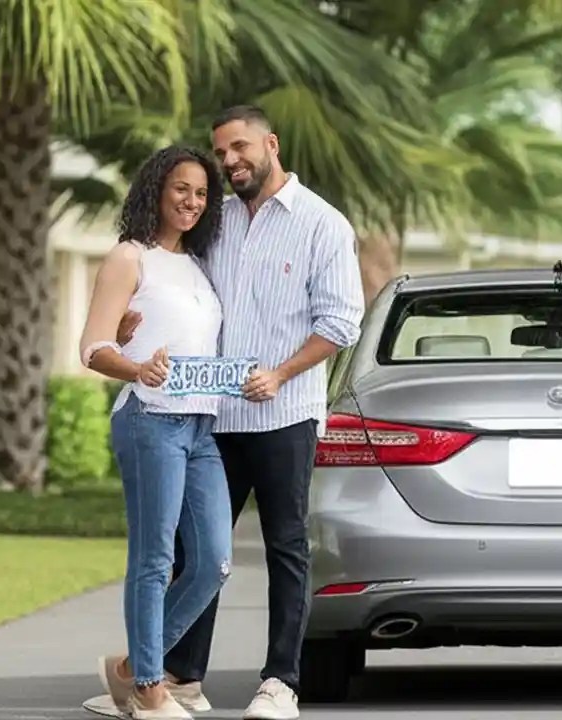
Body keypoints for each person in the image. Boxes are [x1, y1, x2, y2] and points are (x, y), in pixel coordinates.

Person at [83, 105, 365, 720]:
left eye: (239, 148)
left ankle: (279, 682)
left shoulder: (322, 223)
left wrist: (282, 373)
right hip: (208, 415)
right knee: (195, 554)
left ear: (271, 142)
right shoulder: (216, 223)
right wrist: (126, 331)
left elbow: (341, 322)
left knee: (286, 546)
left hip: (283, 409)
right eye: (221, 153)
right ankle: (176, 677)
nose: (230, 161)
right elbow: (170, 304)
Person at [78, 144, 234, 720]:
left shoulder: (197, 264)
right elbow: (93, 348)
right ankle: (147, 688)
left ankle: (127, 669)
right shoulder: (129, 257)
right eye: (181, 190)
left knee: (215, 560)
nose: (192, 201)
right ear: (156, 191)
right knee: (153, 558)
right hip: (149, 418)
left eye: (201, 193)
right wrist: (137, 365)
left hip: (201, 424)